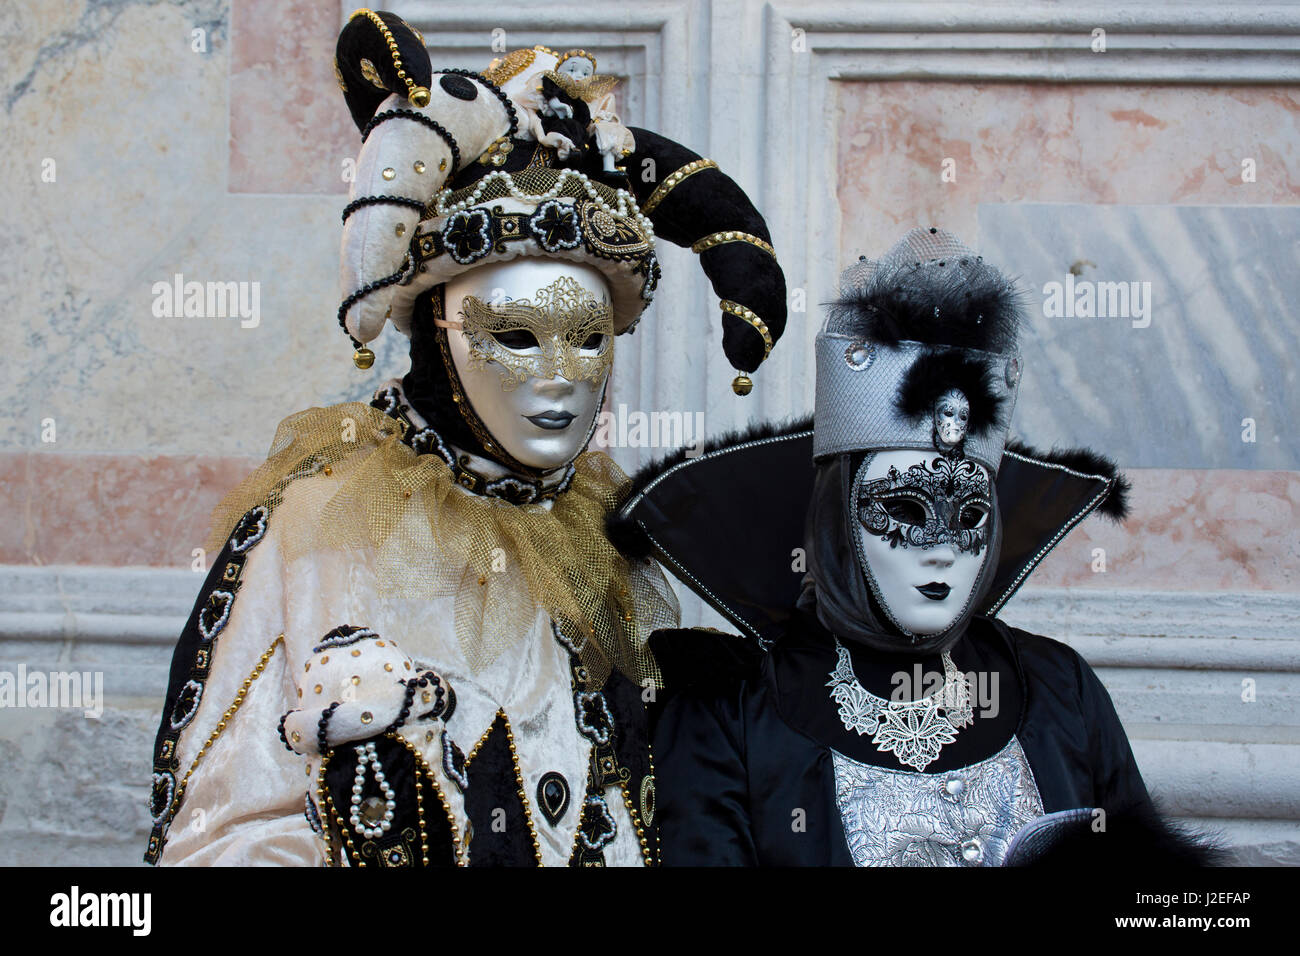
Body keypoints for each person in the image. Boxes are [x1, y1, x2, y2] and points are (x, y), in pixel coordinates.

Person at [145, 9, 787, 867]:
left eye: (590, 337)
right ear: (435, 334)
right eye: (515, 335)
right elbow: (222, 833)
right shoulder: (315, 530)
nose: (561, 373)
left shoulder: (604, 543)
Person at [621, 227, 1215, 866]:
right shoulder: (731, 713)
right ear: (836, 522)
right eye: (903, 508)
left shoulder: (1058, 689)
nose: (940, 550)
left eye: (968, 515)